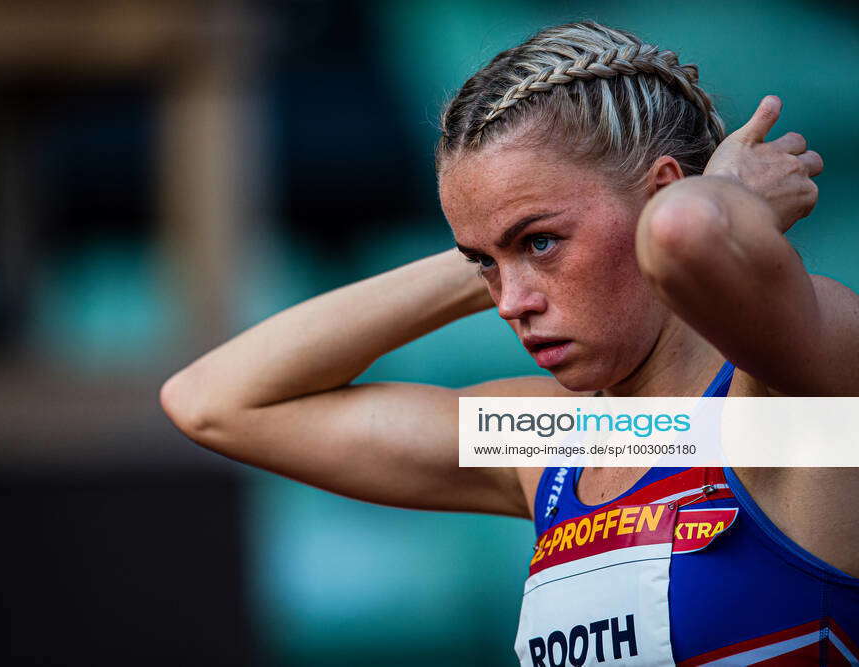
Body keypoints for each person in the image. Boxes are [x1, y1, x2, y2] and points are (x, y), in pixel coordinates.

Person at [160, 21, 859, 665]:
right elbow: (213, 401)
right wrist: (494, 241)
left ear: (663, 194)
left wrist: (727, 192)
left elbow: (689, 236)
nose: (509, 304)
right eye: (486, 265)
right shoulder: (551, 438)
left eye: (543, 241)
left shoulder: (796, 403)